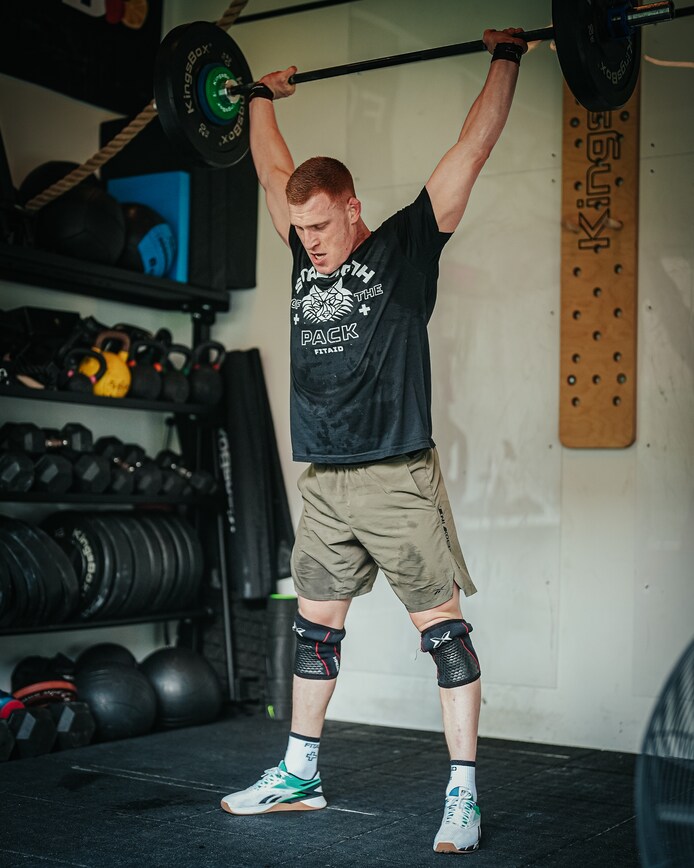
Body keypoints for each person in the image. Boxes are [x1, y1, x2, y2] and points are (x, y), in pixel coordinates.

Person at [221, 26, 528, 854]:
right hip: (324, 483)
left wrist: (506, 58)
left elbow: (471, 148)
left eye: (322, 226)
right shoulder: (303, 250)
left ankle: (462, 794)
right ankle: (299, 775)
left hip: (396, 477)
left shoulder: (406, 249)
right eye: (301, 230)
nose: (311, 243)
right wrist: (259, 96)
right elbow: (271, 168)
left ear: (352, 207)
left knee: (445, 637)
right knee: (314, 632)